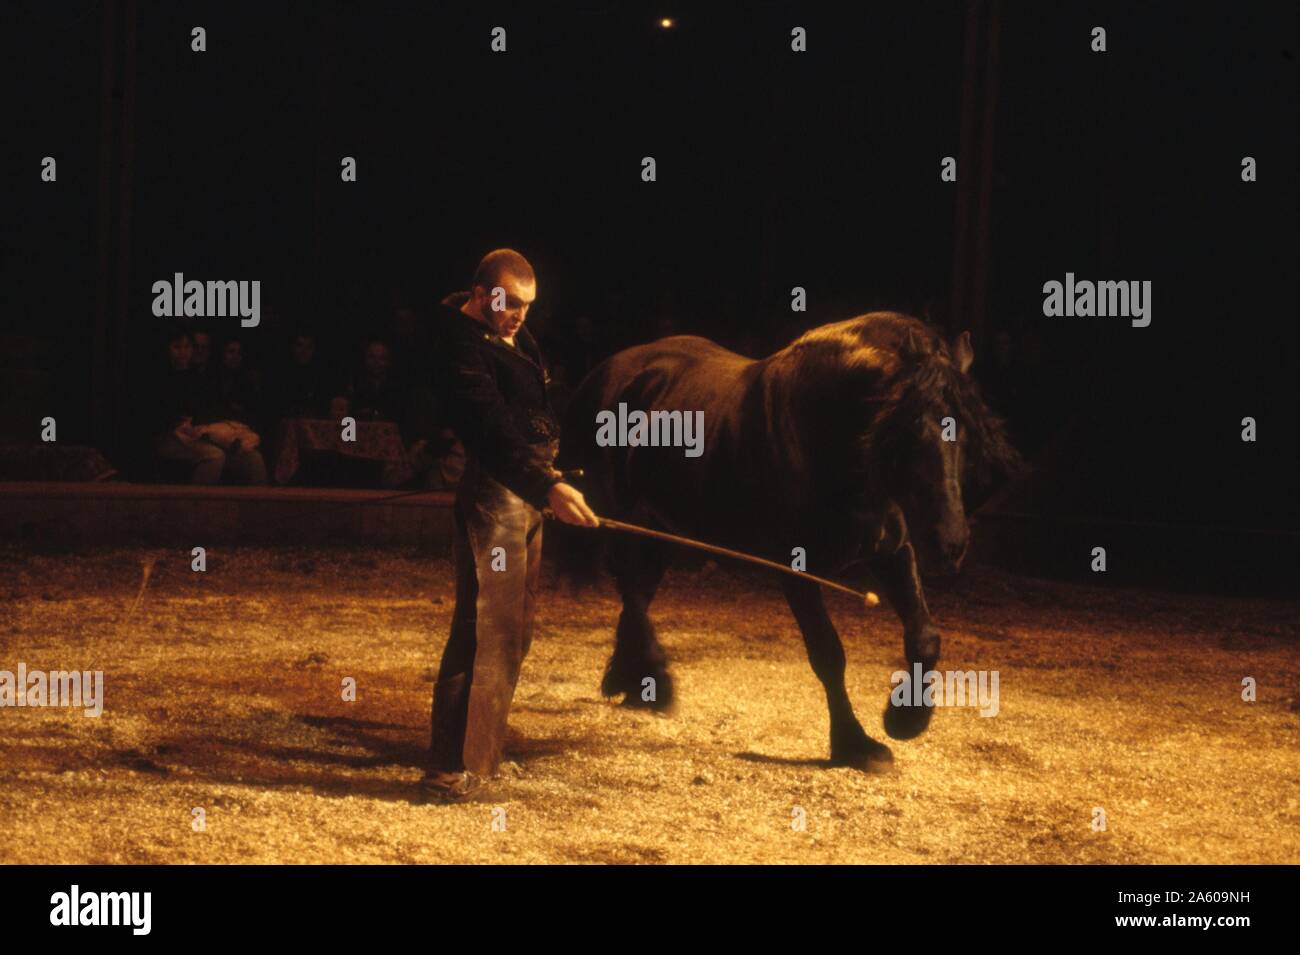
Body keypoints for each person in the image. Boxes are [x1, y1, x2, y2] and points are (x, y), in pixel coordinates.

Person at [422, 249, 599, 802]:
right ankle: (444, 770)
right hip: (497, 493)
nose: (520, 314)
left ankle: (484, 756)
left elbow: (530, 412)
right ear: (480, 294)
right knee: (481, 627)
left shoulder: (515, 337)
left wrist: (552, 476)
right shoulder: (458, 345)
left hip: (526, 490)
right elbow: (491, 426)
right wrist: (544, 485)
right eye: (509, 302)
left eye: (528, 305)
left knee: (516, 627)